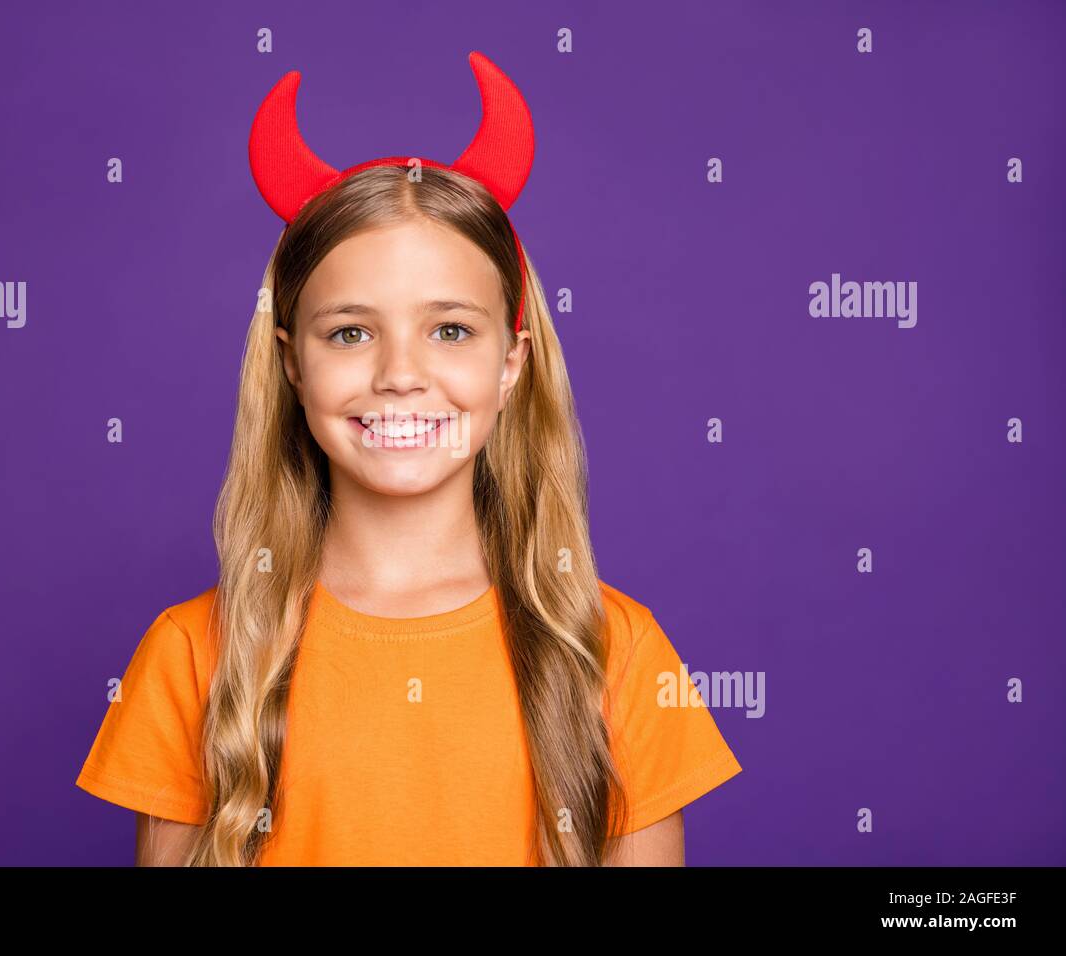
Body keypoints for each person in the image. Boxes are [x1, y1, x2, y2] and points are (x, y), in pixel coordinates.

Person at [76, 50, 741, 866]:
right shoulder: (192, 655)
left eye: (451, 330)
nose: (398, 375)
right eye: (350, 332)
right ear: (292, 362)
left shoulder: (614, 652)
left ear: (511, 362)